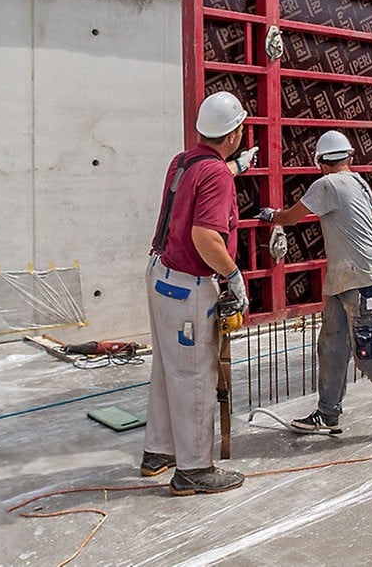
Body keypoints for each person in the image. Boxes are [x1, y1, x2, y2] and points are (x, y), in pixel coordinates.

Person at [259, 130, 372, 446]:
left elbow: (291, 217)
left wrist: (272, 215)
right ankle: (327, 414)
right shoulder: (360, 183)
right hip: (343, 282)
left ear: (320, 162)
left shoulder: (327, 184)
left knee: (368, 355)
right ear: (350, 158)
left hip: (365, 284)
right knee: (331, 348)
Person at [141, 90, 258, 495]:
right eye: (241, 126)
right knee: (193, 376)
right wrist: (233, 275)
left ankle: (159, 452)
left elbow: (199, 185)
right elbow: (206, 236)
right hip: (188, 288)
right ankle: (193, 470)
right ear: (232, 134)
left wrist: (233, 167)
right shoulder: (217, 175)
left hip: (161, 275)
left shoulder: (184, 160)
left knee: (166, 370)